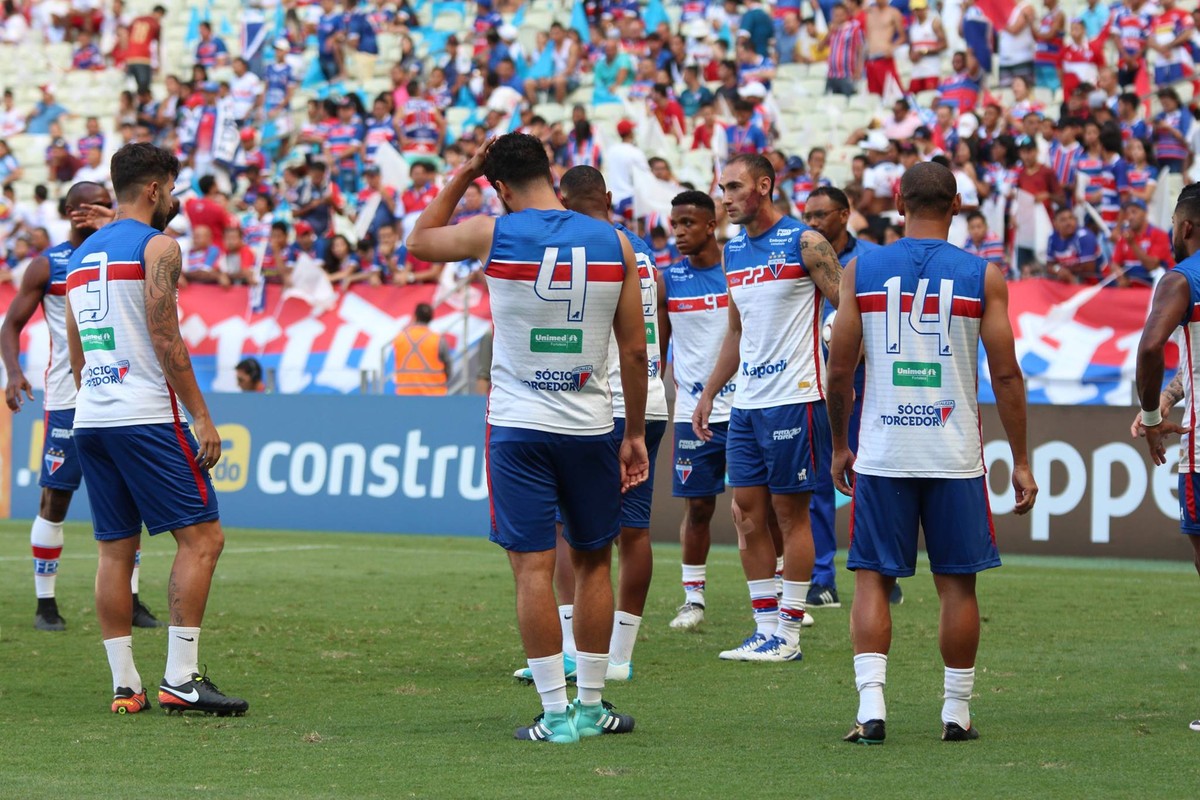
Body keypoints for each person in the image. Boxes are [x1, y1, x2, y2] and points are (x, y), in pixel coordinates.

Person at [406, 133, 648, 743]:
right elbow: (636, 348)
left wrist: (462, 174)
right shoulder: (614, 241)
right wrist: (636, 432)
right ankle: (593, 707)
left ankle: (556, 715)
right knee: (594, 563)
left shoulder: (494, 231)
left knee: (533, 571)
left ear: (500, 186)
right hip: (590, 424)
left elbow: (419, 241)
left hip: (517, 426)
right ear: (552, 173)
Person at [827, 162, 1037, 745]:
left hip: (884, 451)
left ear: (898, 200)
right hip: (954, 453)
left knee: (871, 577)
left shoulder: (861, 269)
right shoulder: (982, 274)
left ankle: (872, 710)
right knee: (958, 584)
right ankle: (956, 712)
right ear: (958, 204)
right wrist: (1020, 459)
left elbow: (839, 370)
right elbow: (1008, 376)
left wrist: (842, 444)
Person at [63, 143, 247, 717]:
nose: (175, 198)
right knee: (203, 539)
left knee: (115, 551)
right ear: (153, 189)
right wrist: (202, 415)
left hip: (91, 413)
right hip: (145, 413)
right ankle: (182, 678)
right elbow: (167, 340)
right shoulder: (158, 246)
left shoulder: (81, 254)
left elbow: (74, 351)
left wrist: (100, 393)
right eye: (172, 187)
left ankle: (126, 687)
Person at [514, 165, 670, 682]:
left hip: (596, 401)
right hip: (648, 397)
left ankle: (568, 651)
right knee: (634, 530)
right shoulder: (640, 250)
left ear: (561, 199)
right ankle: (619, 656)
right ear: (607, 196)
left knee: (571, 534)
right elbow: (654, 329)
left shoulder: (574, 247)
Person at [693, 153, 844, 662]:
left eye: (734, 187)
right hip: (746, 404)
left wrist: (840, 368)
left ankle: (790, 633)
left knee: (790, 514)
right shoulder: (733, 251)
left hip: (796, 398)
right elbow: (737, 332)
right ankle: (764, 628)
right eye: (722, 188)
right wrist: (711, 392)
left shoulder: (805, 242)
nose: (726, 197)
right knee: (745, 514)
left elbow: (848, 310)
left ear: (764, 185)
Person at [1, 181, 162, 633]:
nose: (86, 212)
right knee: (56, 498)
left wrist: (112, 223)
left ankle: (130, 599)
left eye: (100, 205)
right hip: (67, 398)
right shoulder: (47, 264)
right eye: (79, 206)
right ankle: (45, 604)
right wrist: (14, 373)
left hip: (121, 391)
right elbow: (11, 324)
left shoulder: (128, 251)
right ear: (68, 212)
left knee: (128, 499)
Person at [801, 185, 903, 608]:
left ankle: (883, 568)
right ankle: (822, 579)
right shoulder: (804, 258)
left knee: (875, 479)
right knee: (821, 482)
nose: (811, 225)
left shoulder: (874, 261)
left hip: (869, 387)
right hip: (816, 386)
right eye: (806, 217)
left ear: (844, 215)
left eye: (820, 216)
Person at [1131, 182, 1200, 734]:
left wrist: (1152, 417)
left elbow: (1152, 346)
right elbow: (1189, 367)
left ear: (1188, 226)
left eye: (1174, 225)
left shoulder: (1183, 278)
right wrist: (1171, 398)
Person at [658, 190, 740, 630]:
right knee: (699, 508)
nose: (679, 232)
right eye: (675, 224)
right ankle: (693, 599)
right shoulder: (669, 280)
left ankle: (781, 595)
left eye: (688, 223)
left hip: (745, 406)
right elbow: (660, 347)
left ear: (712, 225)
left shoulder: (738, 272)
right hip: (693, 413)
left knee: (758, 506)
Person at [1109, 198, 1174, 286]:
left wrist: (1132, 244)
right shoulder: (1125, 235)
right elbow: (1115, 263)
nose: (1130, 217)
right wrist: (1120, 275)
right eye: (1128, 214)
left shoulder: (1159, 235)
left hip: (1154, 285)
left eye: (1134, 212)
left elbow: (1152, 266)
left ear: (1145, 213)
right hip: (1130, 284)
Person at [393, 302, 450, 395]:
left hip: (405, 394)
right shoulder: (438, 339)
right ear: (431, 318)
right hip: (434, 395)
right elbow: (447, 367)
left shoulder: (400, 337)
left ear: (415, 316)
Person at [1046, 205, 1104, 283]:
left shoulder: (1084, 236)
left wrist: (1065, 271)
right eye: (1063, 220)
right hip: (1072, 282)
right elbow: (1049, 265)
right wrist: (1058, 270)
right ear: (1055, 223)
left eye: (1071, 218)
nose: (1068, 223)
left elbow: (1089, 269)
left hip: (1099, 282)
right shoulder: (1052, 237)